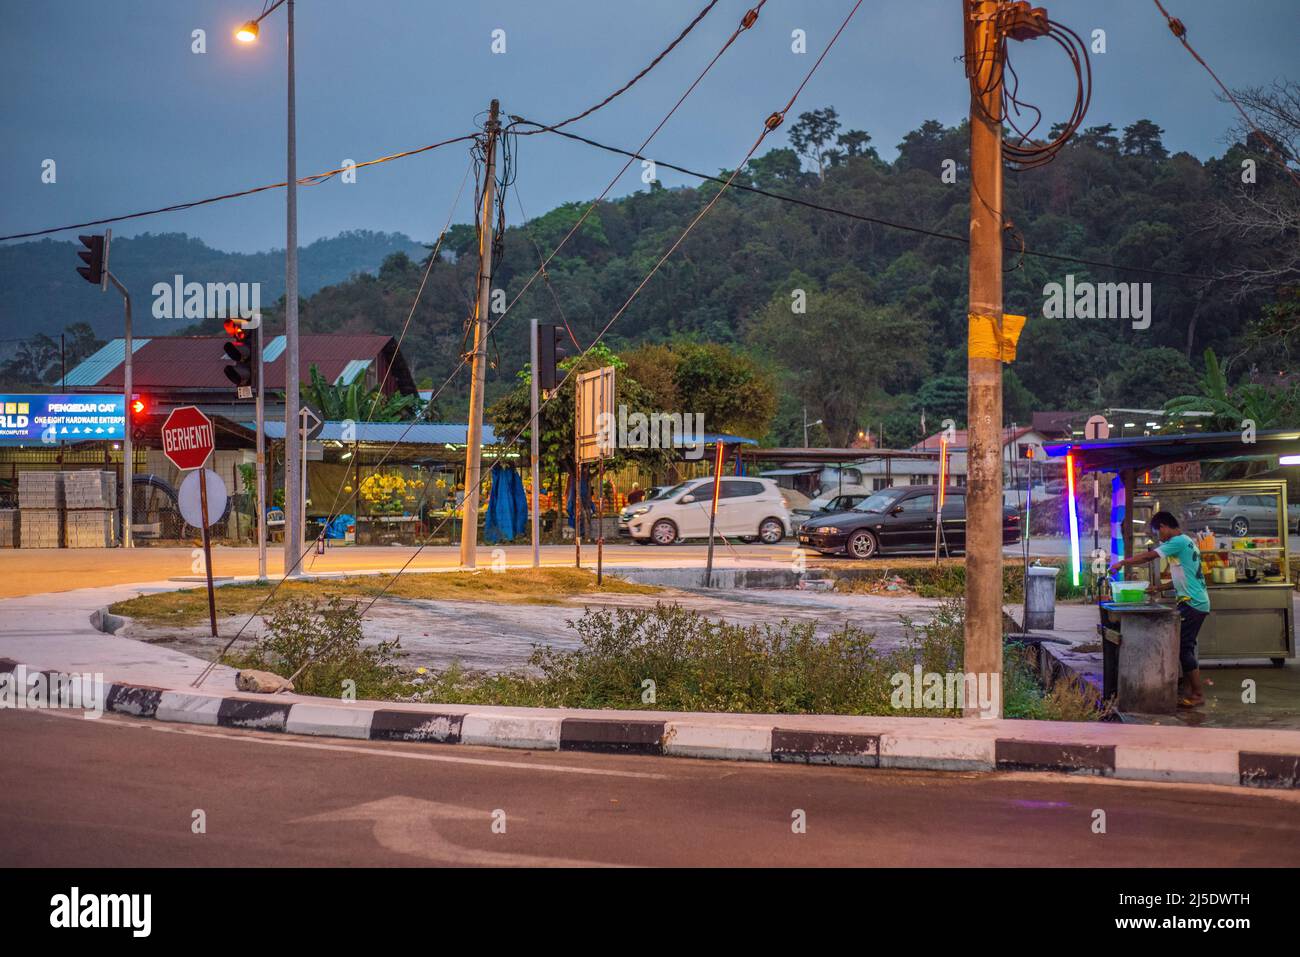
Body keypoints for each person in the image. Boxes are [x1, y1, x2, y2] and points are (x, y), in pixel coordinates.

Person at [1108, 510, 1211, 708]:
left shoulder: (1178, 542)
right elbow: (1183, 577)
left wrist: (1122, 562)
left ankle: (1198, 693)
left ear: (1164, 527)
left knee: (1184, 648)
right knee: (1185, 647)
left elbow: (1149, 557)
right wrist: (1159, 588)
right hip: (1194, 601)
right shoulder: (1186, 542)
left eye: (1157, 533)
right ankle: (1190, 691)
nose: (1158, 538)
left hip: (1194, 603)